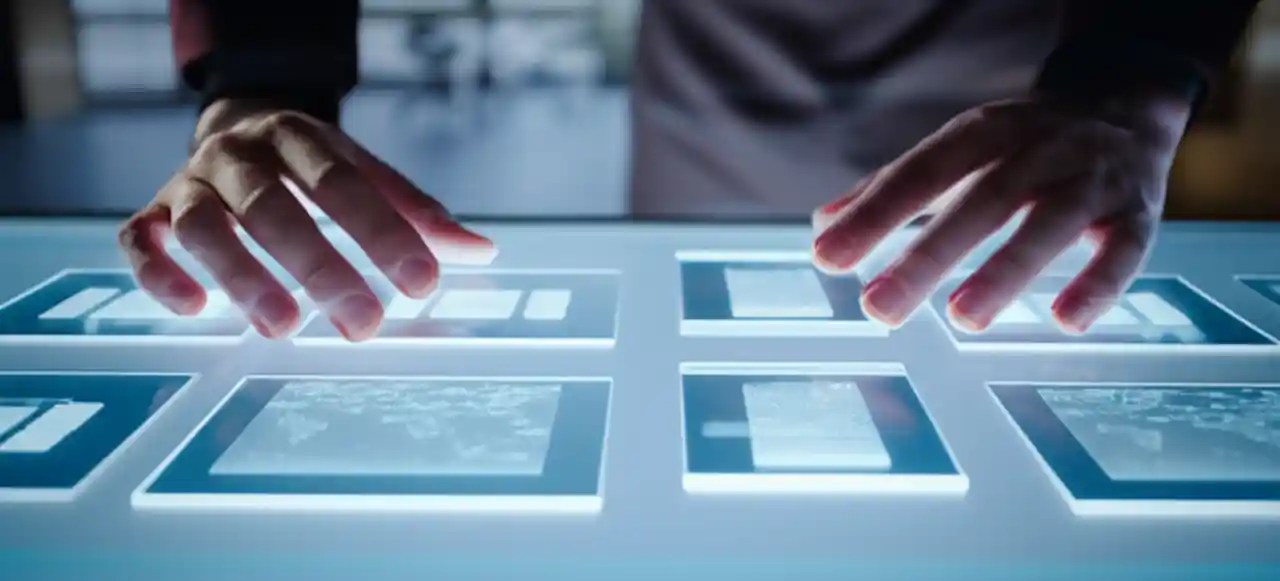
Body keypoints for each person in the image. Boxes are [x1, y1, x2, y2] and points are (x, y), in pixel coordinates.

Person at [120, 0, 1260, 341]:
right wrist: (258, 78)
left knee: (1007, 304)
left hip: (1023, 55)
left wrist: (1131, 72)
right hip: (719, 71)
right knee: (711, 332)